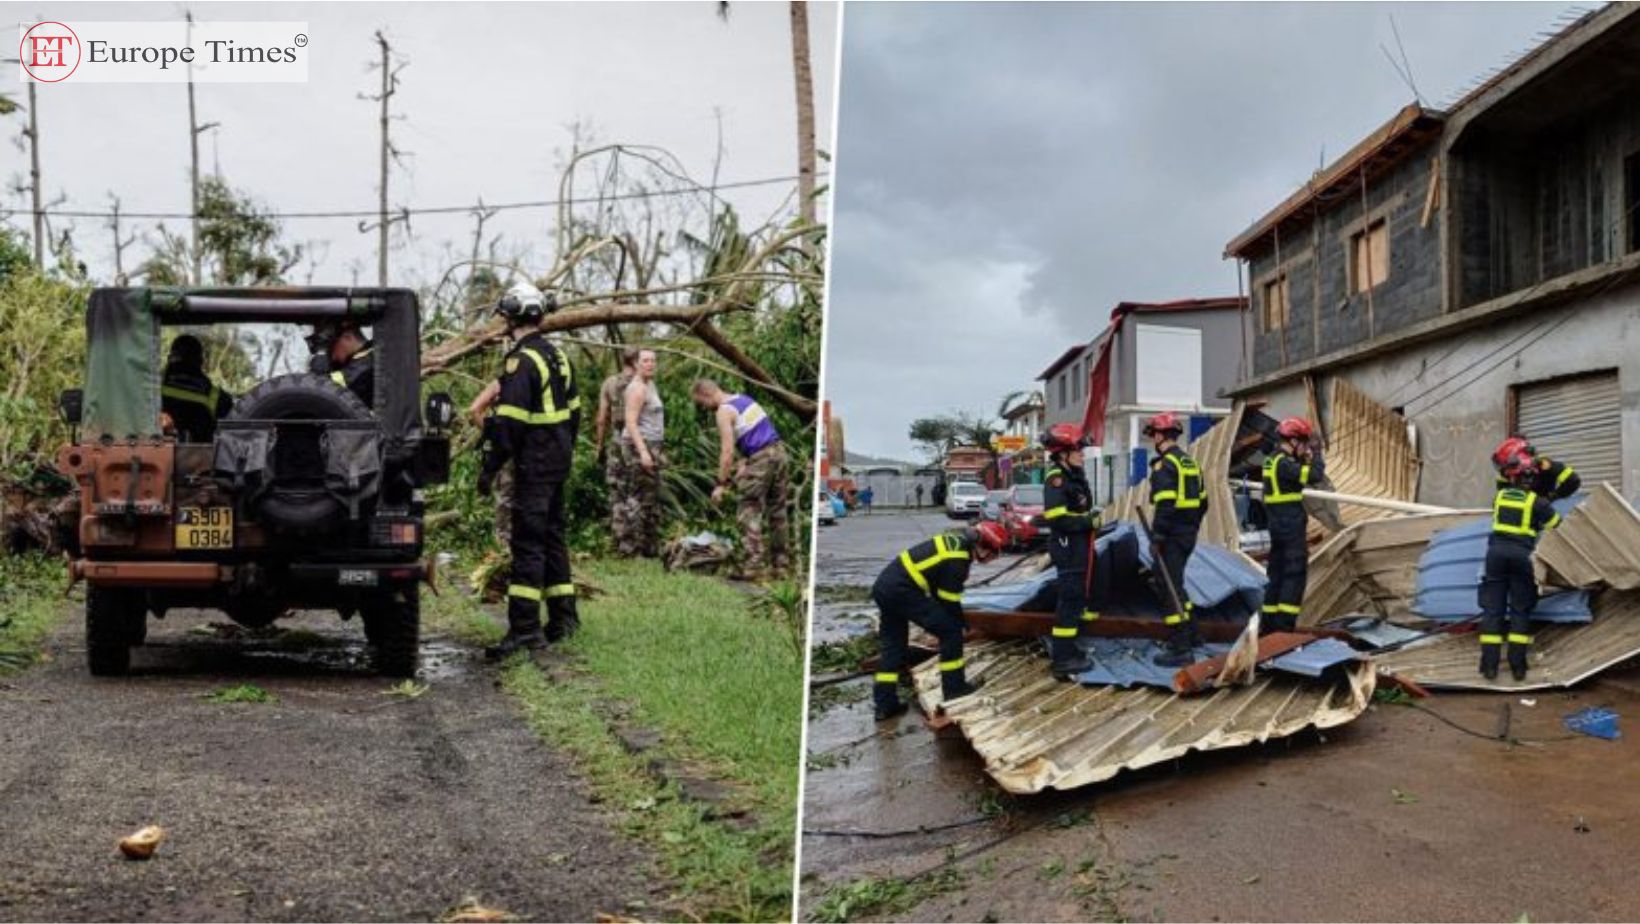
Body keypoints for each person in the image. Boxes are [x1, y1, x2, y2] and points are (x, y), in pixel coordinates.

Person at [478, 282, 581, 659]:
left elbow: (510, 423)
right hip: (557, 461)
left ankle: (524, 630)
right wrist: (561, 449)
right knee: (553, 538)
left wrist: (489, 467)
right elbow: (575, 413)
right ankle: (564, 619)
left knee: (528, 542)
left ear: (512, 317)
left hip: (534, 464)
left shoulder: (521, 361)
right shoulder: (559, 357)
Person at [872, 521, 1007, 721]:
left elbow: (938, 589)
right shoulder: (958, 558)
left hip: (884, 588)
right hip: (902, 592)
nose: (992, 558)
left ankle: (885, 705)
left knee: (893, 646)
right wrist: (961, 624)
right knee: (951, 633)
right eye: (995, 553)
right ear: (985, 547)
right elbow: (948, 599)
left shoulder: (953, 542)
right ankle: (954, 689)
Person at [692, 379, 791, 580]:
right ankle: (781, 566)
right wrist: (746, 461)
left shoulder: (724, 411)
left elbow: (727, 452)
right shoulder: (744, 400)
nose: (704, 408)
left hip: (762, 459)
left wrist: (721, 484)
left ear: (706, 394)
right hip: (779, 454)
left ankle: (754, 565)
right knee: (778, 512)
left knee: (748, 509)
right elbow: (755, 432)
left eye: (701, 403)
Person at [1479, 450, 1562, 681]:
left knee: (1493, 610)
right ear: (1532, 479)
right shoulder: (1537, 502)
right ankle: (1518, 668)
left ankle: (1489, 667)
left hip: (1495, 556)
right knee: (1520, 610)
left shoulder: (1499, 497)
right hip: (1522, 558)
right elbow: (1557, 524)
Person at [1036, 423, 1099, 680]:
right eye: (1078, 451)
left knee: (1075, 598)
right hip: (1067, 546)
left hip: (1077, 545)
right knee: (1069, 600)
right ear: (1063, 454)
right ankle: (1063, 659)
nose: (1082, 455)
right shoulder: (1057, 479)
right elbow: (1057, 517)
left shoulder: (1074, 476)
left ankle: (1069, 649)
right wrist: (1088, 521)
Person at [1144, 412, 1207, 667]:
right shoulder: (1190, 463)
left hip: (1170, 536)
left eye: (1153, 435)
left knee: (1167, 586)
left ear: (1160, 436)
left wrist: (1158, 537)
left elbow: (1165, 505)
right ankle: (1193, 635)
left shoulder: (1165, 465)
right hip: (1187, 534)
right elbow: (1204, 502)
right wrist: (1191, 527)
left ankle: (1180, 647)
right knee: (1176, 584)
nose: (1153, 440)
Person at [1259, 417, 1325, 633]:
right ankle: (1284, 628)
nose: (1306, 447)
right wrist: (1317, 453)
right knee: (1294, 575)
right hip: (1290, 525)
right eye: (1304, 443)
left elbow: (1292, 480)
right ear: (1294, 441)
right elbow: (1315, 476)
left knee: (1276, 574)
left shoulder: (1272, 460)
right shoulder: (1285, 464)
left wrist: (1304, 459)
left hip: (1276, 525)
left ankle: (1268, 627)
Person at [616, 349, 665, 558]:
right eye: (645, 361)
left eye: (653, 360)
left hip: (653, 443)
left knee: (650, 497)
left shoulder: (650, 384)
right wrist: (644, 452)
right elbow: (631, 423)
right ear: (636, 364)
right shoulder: (636, 388)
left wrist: (658, 451)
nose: (650, 364)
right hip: (638, 444)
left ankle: (648, 547)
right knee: (636, 496)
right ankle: (630, 548)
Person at [594, 349, 641, 551]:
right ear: (636, 361)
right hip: (638, 439)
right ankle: (635, 540)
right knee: (636, 487)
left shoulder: (609, 383)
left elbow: (601, 417)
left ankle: (619, 538)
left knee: (616, 488)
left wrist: (599, 446)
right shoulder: (643, 383)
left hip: (616, 439)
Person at [160, 334, 234, 442]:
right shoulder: (218, 397)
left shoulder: (152, 392)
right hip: (202, 452)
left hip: (157, 453)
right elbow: (232, 434)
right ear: (200, 361)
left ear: (170, 359)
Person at [306, 319, 375, 407]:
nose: (332, 356)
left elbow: (339, 384)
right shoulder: (364, 357)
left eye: (331, 345)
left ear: (347, 337)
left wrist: (321, 355)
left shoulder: (369, 362)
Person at [1492, 436, 1580, 500]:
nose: (1506, 472)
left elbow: (1573, 480)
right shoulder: (1504, 474)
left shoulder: (1545, 466)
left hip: (1544, 512)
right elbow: (1502, 496)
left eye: (1507, 467)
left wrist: (1553, 497)